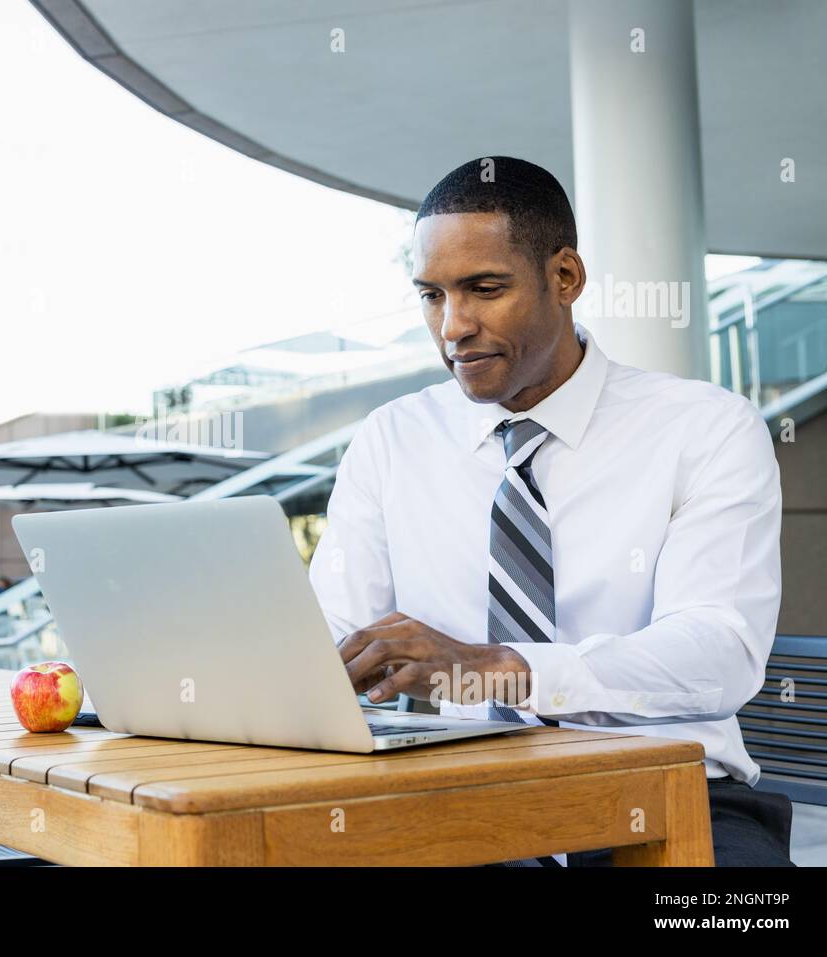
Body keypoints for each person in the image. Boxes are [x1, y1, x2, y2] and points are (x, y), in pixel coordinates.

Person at [309, 157, 792, 867]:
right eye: (432, 295)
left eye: (484, 288)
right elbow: (337, 633)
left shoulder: (706, 428)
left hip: (672, 793)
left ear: (565, 278)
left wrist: (504, 668)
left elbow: (721, 650)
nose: (454, 327)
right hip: (457, 800)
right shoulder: (392, 438)